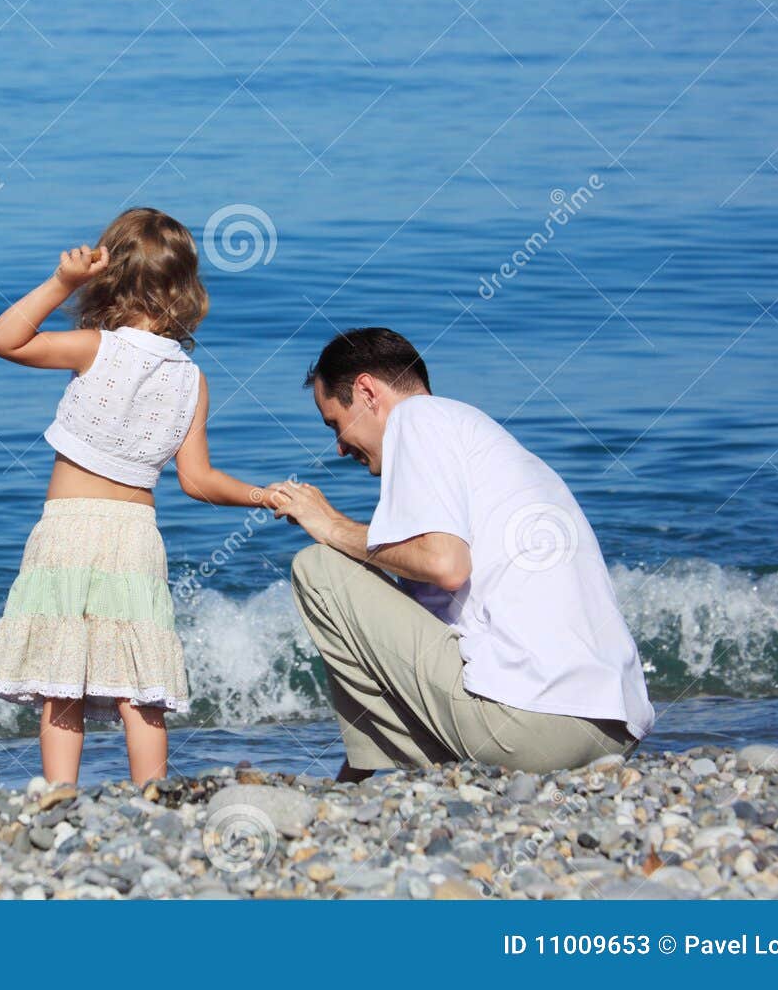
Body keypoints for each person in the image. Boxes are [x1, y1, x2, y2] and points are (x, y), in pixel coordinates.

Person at [270, 327, 654, 780]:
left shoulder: (417, 419)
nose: (338, 447)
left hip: (536, 730)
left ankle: (364, 775)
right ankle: (359, 776)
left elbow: (446, 565)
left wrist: (330, 526)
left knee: (318, 568)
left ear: (367, 392)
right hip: (614, 726)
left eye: (335, 423)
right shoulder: (479, 441)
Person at [0, 208, 273, 785]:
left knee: (62, 679)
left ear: (108, 279)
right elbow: (198, 480)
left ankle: (60, 793)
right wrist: (261, 495)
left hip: (67, 529)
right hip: (136, 537)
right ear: (186, 289)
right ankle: (151, 791)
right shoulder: (192, 379)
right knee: (142, 683)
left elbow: (1, 339)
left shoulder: (95, 347)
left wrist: (61, 281)